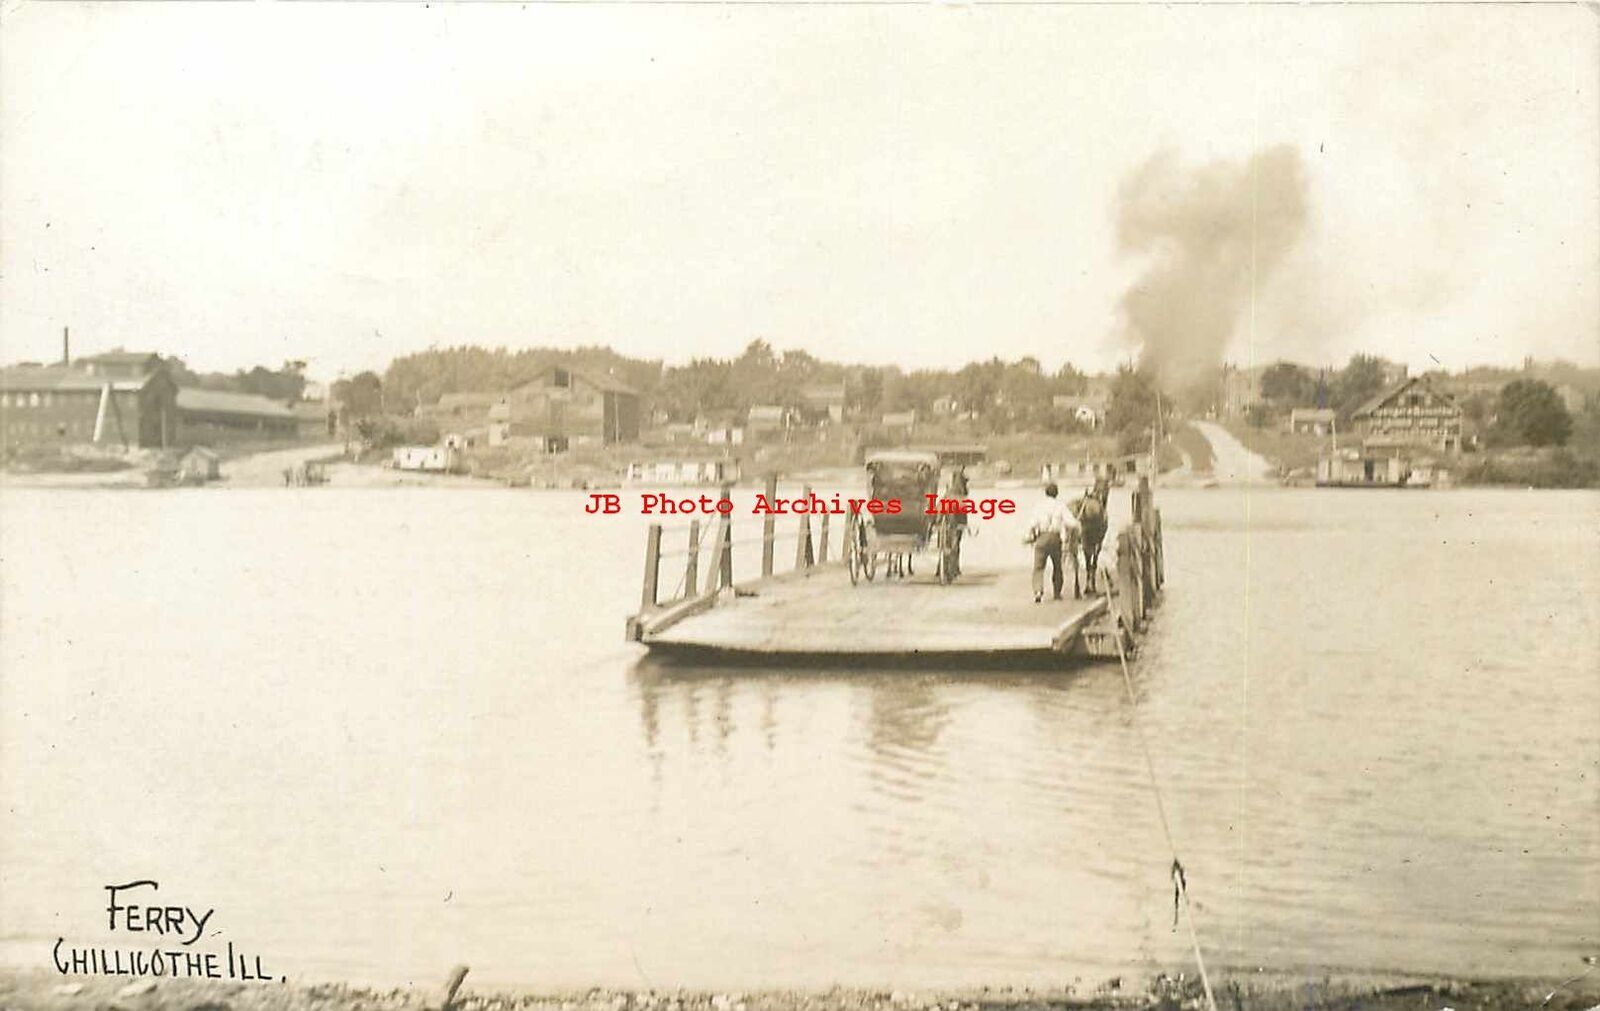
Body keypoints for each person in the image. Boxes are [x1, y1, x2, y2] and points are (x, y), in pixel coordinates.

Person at [1026, 482, 1080, 603]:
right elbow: (1070, 522)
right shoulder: (1060, 506)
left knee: (1038, 567)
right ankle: (1057, 593)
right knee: (1057, 567)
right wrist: (1078, 525)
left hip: (1041, 538)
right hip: (1055, 539)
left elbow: (1032, 524)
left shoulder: (1039, 506)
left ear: (1046, 493)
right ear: (1057, 493)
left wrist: (1030, 535)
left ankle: (1038, 591)